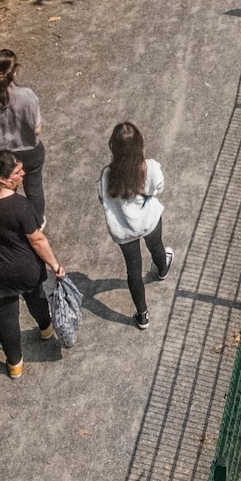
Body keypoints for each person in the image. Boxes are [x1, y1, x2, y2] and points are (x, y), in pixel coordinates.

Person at [0, 149, 65, 376]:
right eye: (18, 172)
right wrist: (55, 265)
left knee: (6, 316)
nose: (23, 174)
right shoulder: (20, 206)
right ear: (2, 179)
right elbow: (37, 240)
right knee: (36, 298)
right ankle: (46, 329)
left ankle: (14, 364)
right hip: (23, 268)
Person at [99, 121, 174, 329]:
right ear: (139, 143)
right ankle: (162, 269)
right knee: (156, 245)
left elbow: (102, 199)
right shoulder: (149, 167)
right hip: (149, 220)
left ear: (113, 146)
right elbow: (158, 188)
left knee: (133, 269)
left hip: (123, 229)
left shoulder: (107, 175)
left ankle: (142, 315)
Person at [0, 49, 46, 215]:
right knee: (34, 189)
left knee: (5, 194)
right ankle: (37, 223)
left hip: (0, 157)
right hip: (29, 152)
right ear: (15, 71)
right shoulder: (27, 95)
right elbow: (37, 129)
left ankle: (11, 223)